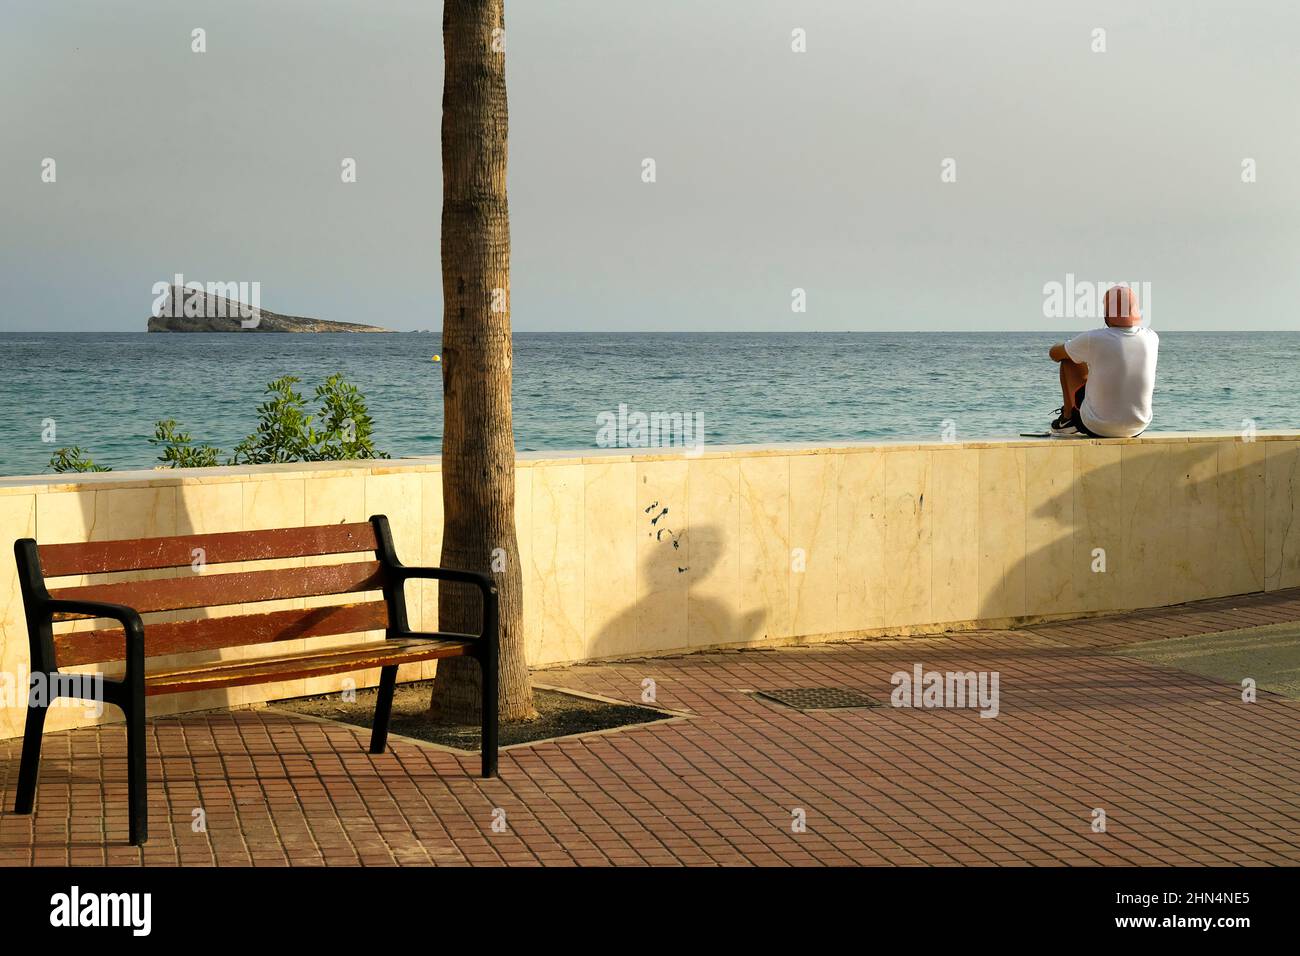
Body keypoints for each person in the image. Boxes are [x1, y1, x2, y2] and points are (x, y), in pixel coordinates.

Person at [1048, 285, 1158, 438]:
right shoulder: (1152, 337)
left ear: (1107, 313)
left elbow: (1054, 354)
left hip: (1097, 427)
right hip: (1138, 427)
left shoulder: (1094, 338)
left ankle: (1067, 420)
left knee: (1069, 359)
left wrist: (1070, 345)